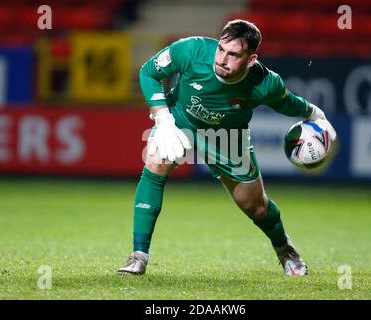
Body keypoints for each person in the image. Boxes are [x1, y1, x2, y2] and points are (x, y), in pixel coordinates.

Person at [117, 19, 336, 276]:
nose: (222, 59)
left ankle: (284, 248)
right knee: (156, 163)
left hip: (228, 137)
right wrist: (163, 119)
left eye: (234, 54)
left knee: (255, 206)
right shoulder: (191, 50)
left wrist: (315, 113)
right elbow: (148, 72)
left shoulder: (264, 83)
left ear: (251, 59)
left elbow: (287, 103)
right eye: (222, 49)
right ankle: (138, 255)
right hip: (180, 121)